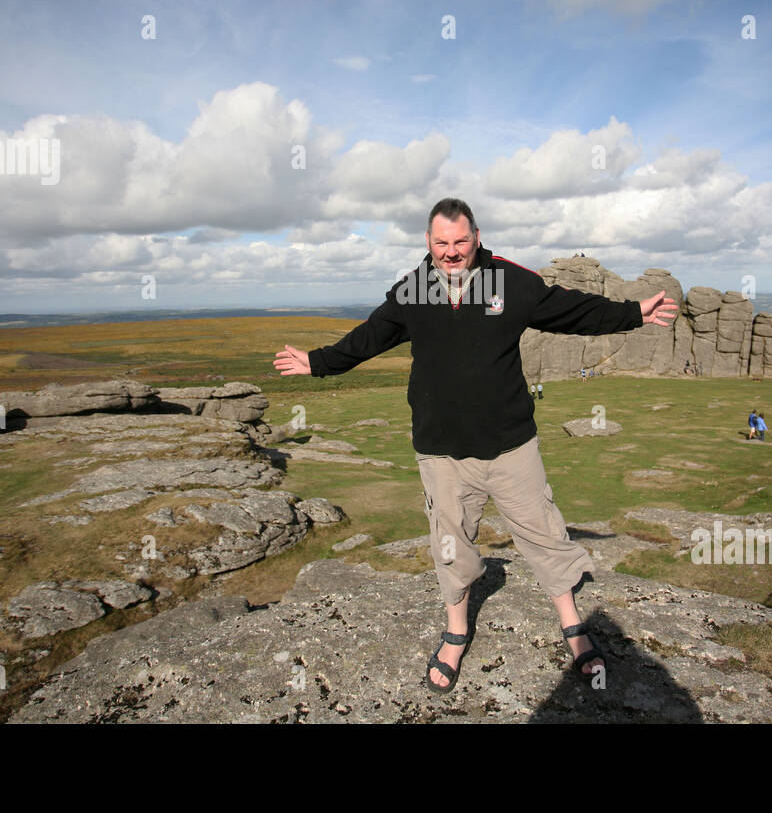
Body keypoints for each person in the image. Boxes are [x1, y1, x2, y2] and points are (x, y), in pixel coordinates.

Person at [274, 198, 678, 693]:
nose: (450, 252)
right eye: (441, 243)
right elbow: (369, 338)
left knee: (544, 535)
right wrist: (317, 362)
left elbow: (572, 309)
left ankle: (573, 626)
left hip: (510, 445)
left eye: (459, 241)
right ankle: (457, 629)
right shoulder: (413, 291)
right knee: (451, 543)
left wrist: (634, 312)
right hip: (441, 451)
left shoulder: (509, 281)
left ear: (477, 236)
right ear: (428, 243)